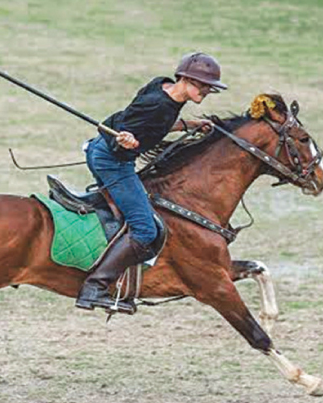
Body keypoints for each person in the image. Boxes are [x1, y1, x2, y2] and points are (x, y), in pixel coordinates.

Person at [75, 52, 228, 314]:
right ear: (186, 79)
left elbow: (151, 123)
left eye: (210, 87)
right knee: (146, 230)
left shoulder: (163, 87)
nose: (207, 90)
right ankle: (95, 287)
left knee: (134, 213)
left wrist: (187, 125)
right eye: (203, 85)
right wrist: (125, 141)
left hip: (102, 152)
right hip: (112, 160)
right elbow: (126, 126)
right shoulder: (159, 103)